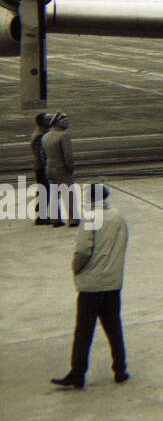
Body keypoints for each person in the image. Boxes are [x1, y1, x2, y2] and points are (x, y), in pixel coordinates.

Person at [51, 184, 128, 388]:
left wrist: (75, 269)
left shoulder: (91, 218)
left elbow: (83, 251)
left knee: (84, 329)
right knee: (113, 326)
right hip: (112, 282)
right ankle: (120, 369)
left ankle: (78, 372)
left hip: (91, 285)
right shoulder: (118, 217)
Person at [41, 110, 79, 227]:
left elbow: (43, 154)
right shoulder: (63, 135)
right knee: (69, 194)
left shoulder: (45, 136)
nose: (67, 122)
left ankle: (55, 219)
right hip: (61, 168)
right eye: (64, 120)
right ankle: (73, 219)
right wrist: (70, 168)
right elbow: (68, 155)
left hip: (49, 167)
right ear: (57, 122)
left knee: (53, 194)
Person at [31, 112, 52, 225]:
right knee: (44, 191)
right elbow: (40, 154)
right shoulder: (39, 136)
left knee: (44, 191)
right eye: (47, 119)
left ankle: (41, 214)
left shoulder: (41, 133)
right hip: (41, 168)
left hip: (41, 167)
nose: (50, 121)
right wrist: (47, 167)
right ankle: (40, 216)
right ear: (42, 122)